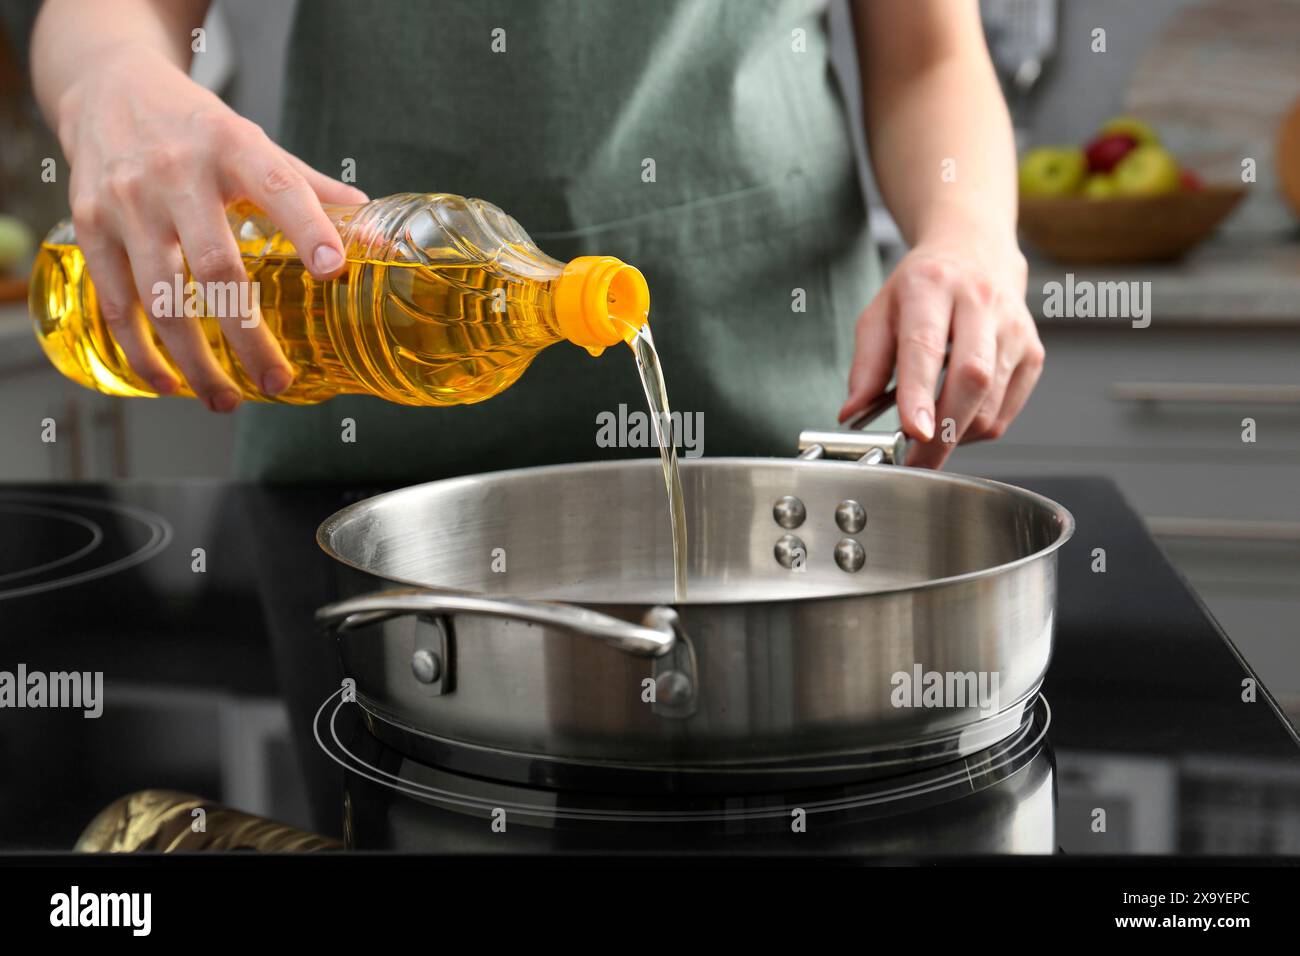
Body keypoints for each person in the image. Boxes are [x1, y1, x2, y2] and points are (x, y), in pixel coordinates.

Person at [30, 0, 1043, 480]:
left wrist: (968, 231)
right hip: (364, 475)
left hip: (776, 448)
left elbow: (925, 55)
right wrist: (113, 75)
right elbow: (108, 16)